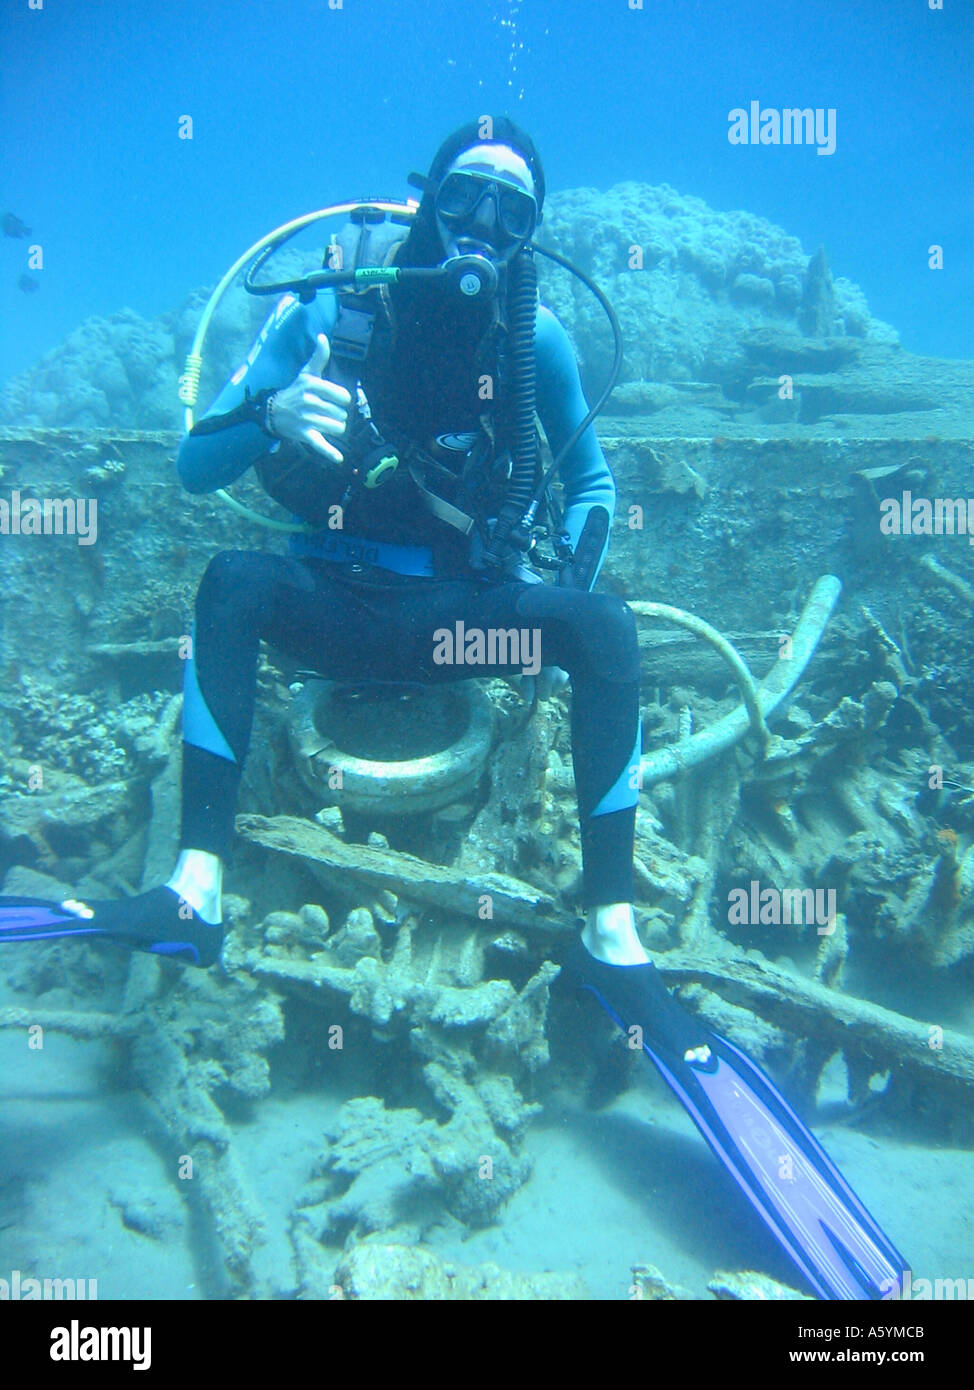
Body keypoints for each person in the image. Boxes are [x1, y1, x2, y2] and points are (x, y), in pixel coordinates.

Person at [0, 119, 909, 1300]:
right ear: (424, 200)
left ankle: (615, 931)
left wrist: (559, 591)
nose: (480, 228)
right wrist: (264, 419)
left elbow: (591, 485)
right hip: (329, 601)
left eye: (509, 211)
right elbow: (191, 467)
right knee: (229, 583)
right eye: (465, 197)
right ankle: (194, 888)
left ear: (530, 232)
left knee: (607, 628)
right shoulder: (329, 308)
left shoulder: (540, 346)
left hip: (465, 625)